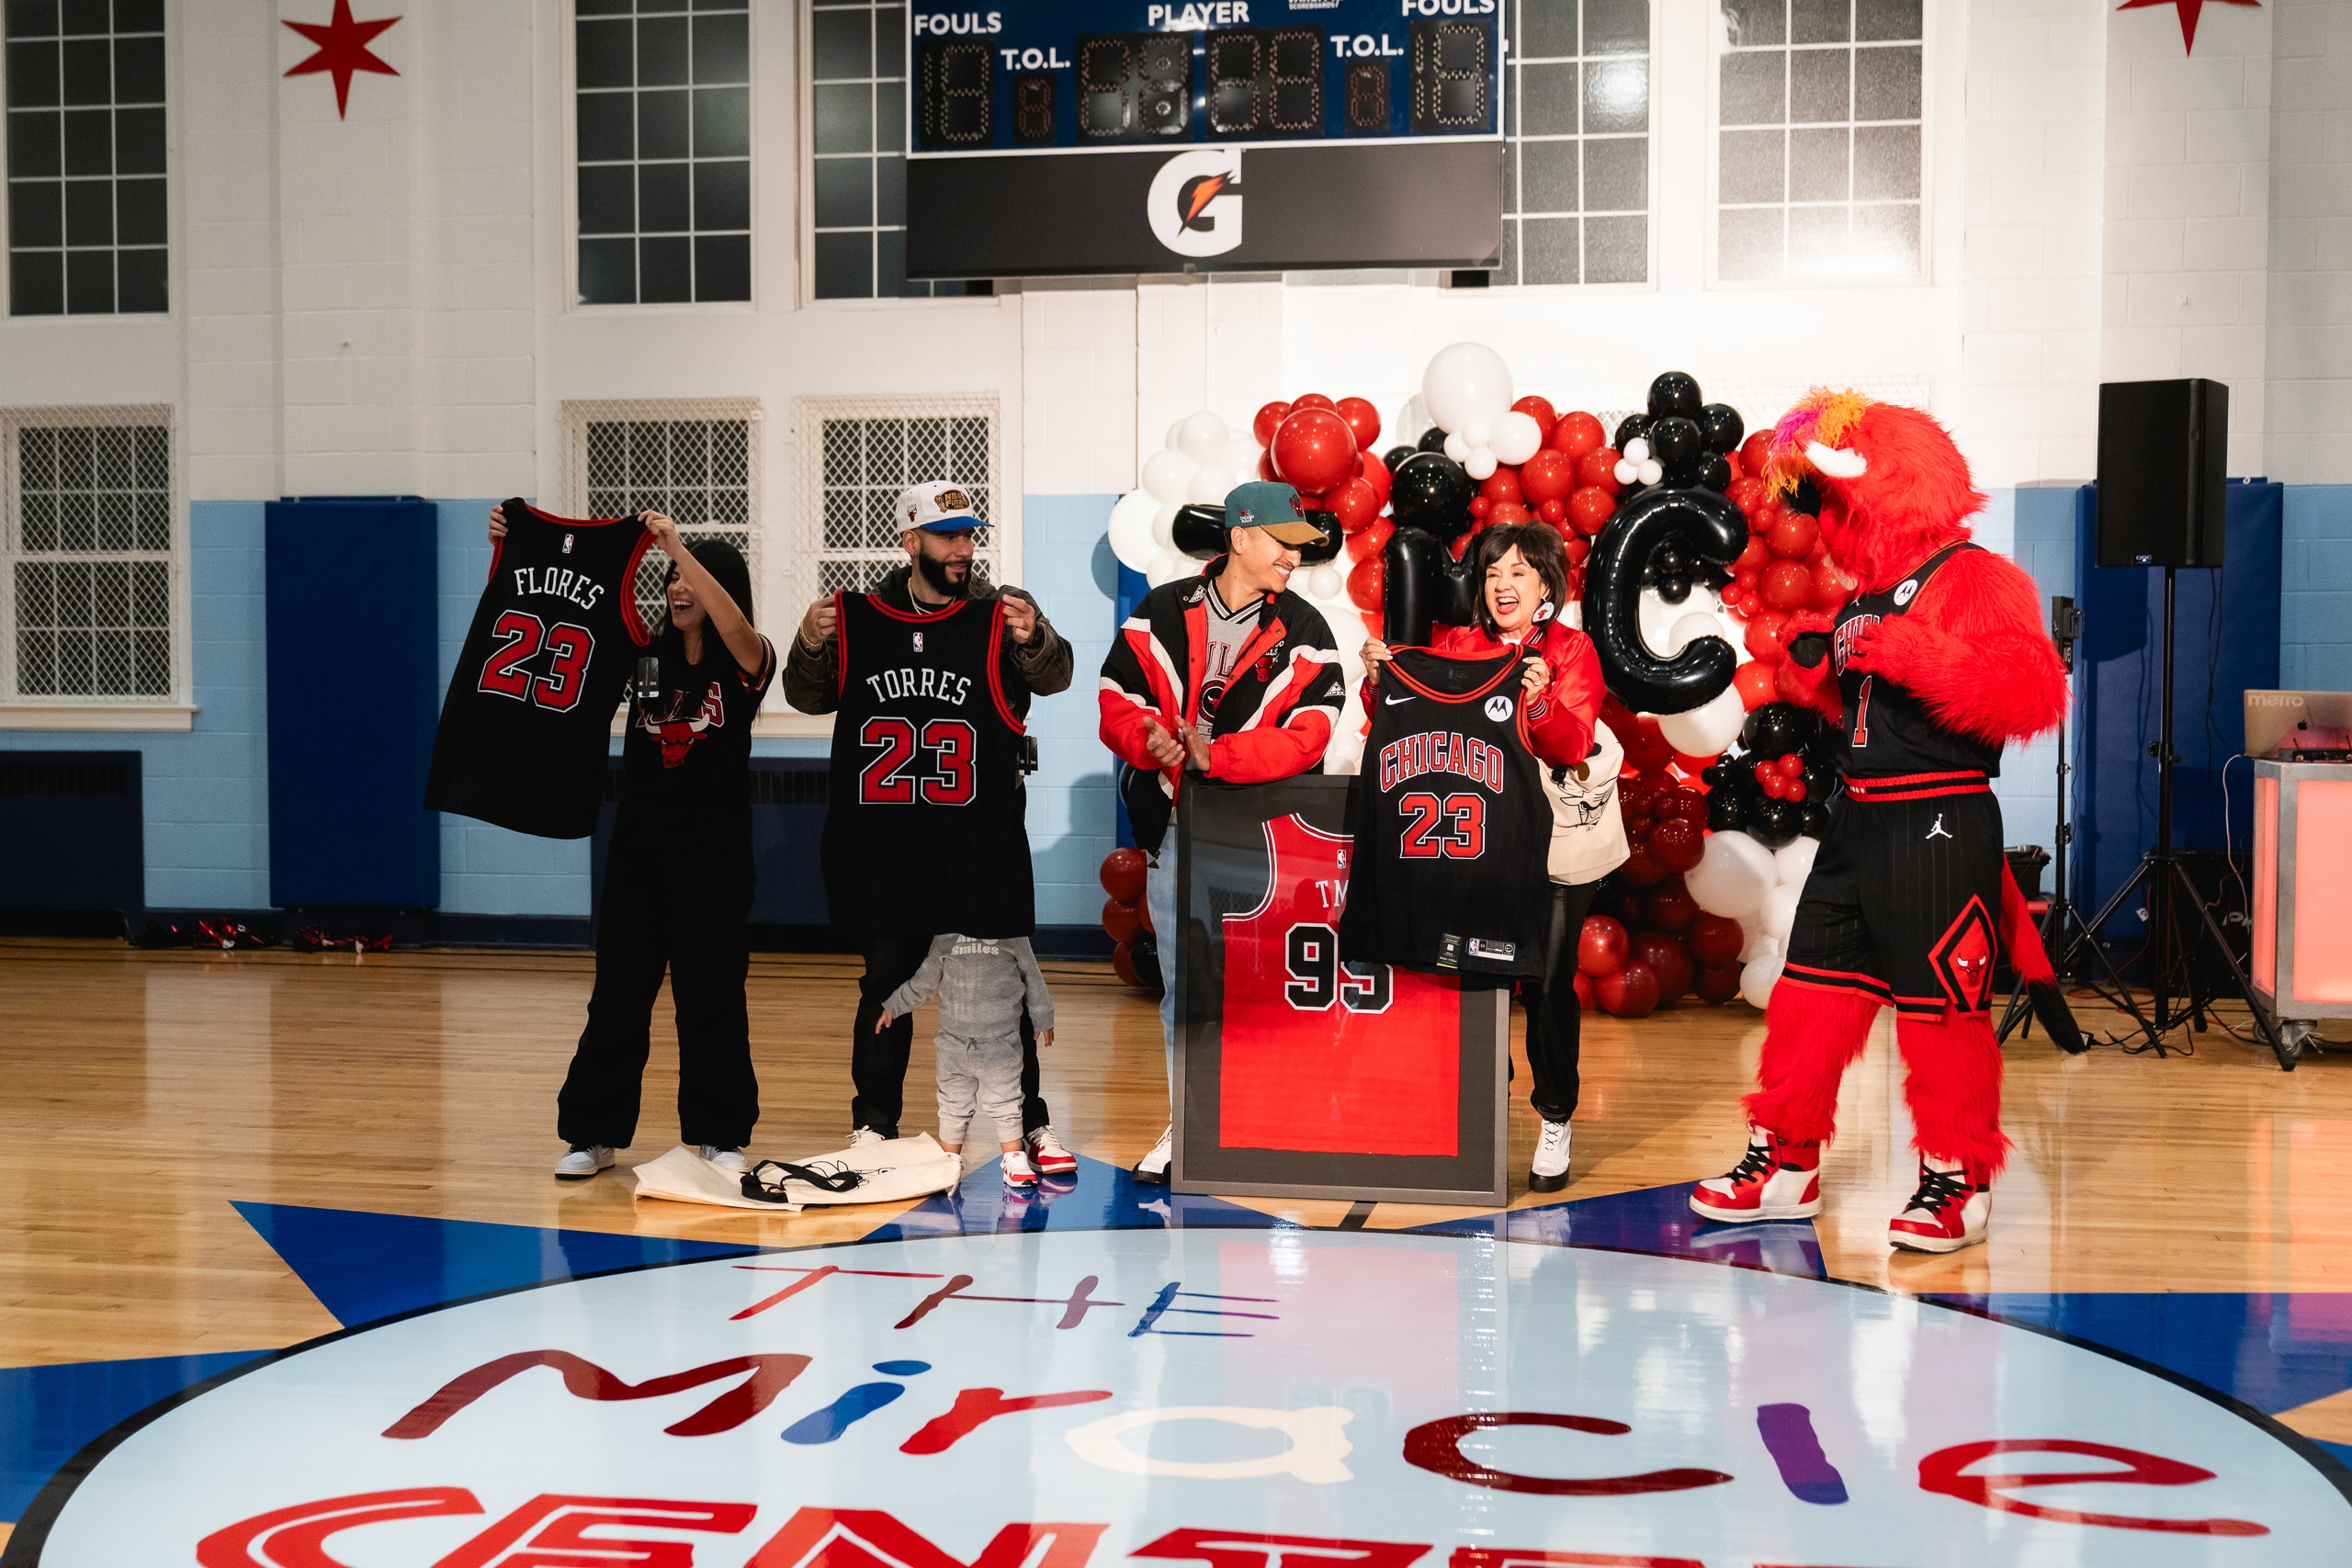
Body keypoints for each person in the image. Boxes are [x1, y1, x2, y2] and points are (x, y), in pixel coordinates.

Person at [1689, 392, 2067, 1253]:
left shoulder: (1978, 577)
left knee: (1943, 1010)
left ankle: (1957, 1176)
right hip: (1857, 820)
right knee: (1809, 995)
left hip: (1939, 818)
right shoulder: (1869, 590)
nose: (1826, 517)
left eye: (1835, 500)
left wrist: (1910, 653)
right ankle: (1786, 1161)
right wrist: (1819, 670)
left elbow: (2032, 694)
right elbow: (1867, 711)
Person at [783, 480, 1079, 1175]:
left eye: (969, 534)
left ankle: (1030, 1121)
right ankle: (874, 1123)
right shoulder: (859, 616)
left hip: (980, 838)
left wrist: (1035, 637)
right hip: (891, 843)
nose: (962, 548)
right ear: (910, 540)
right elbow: (805, 695)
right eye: (947, 535)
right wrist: (808, 641)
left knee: (999, 982)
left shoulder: (998, 612)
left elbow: (1058, 675)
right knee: (887, 981)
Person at [485, 503, 775, 1179]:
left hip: (715, 860)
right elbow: (549, 622)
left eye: (689, 578)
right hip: (638, 856)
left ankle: (720, 1133)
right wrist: (507, 553)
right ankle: (593, 1132)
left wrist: (680, 542)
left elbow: (739, 628)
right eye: (671, 576)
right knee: (617, 997)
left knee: (712, 999)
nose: (677, 587)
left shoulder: (745, 662)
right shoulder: (642, 652)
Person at [1099, 479, 1345, 1183]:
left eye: (1300, 546)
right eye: (1283, 542)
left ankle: (1273, 1122)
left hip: (1266, 838)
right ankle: (1191, 1127)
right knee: (1188, 987)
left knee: (1267, 988)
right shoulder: (1159, 611)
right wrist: (1153, 741)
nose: (1295, 558)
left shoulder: (1307, 629)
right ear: (1240, 537)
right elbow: (1116, 701)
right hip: (1177, 829)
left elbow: (1309, 734)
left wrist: (1217, 754)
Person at [1363, 522, 1611, 1193]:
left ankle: (1555, 1113)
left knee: (1548, 980)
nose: (1504, 585)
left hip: (1553, 845)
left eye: (1520, 573)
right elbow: (1411, 712)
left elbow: (1569, 745)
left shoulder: (1572, 649)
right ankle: (1482, 1103)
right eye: (1493, 573)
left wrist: (1538, 699)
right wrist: (1376, 679)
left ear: (1546, 586)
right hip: (1479, 845)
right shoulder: (1457, 645)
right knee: (1470, 970)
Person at [876, 933, 1058, 1188]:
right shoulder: (945, 938)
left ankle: (1013, 1157)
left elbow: (1033, 977)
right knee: (953, 1104)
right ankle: (949, 1159)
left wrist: (1043, 1018)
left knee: (1006, 1102)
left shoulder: (1013, 936)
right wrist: (894, 1006)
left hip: (1001, 1045)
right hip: (953, 1046)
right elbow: (925, 981)